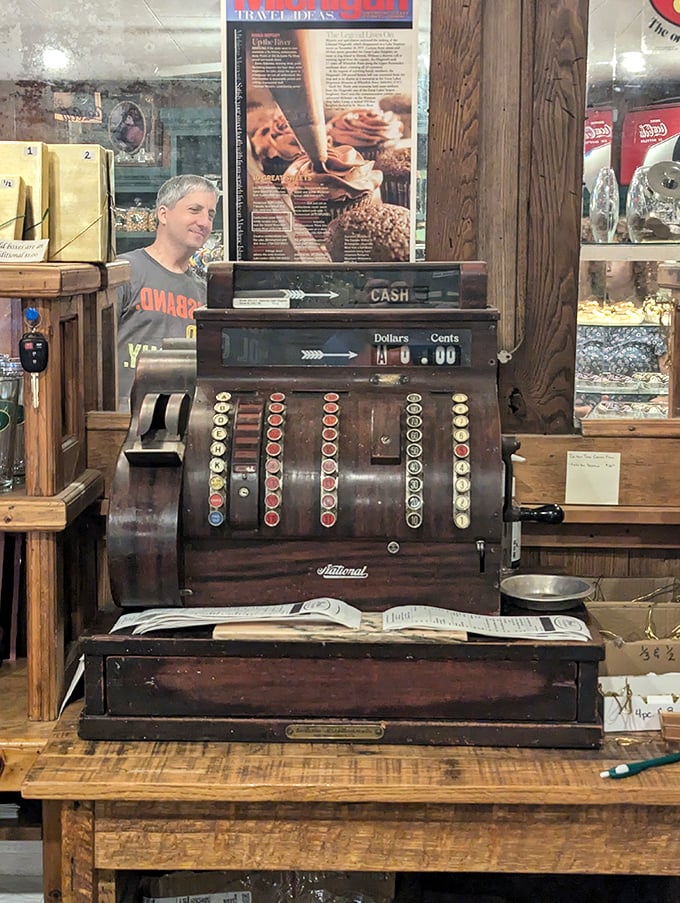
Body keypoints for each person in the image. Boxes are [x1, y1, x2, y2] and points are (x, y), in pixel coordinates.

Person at [117, 174, 219, 411]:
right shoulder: (125, 272)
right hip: (125, 421)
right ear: (163, 214)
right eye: (194, 210)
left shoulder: (204, 291)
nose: (204, 222)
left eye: (211, 214)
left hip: (183, 419)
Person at [574, 260, 669, 421]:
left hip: (633, 424)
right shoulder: (585, 314)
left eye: (617, 259)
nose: (608, 266)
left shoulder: (654, 318)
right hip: (579, 422)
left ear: (637, 266)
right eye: (603, 260)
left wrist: (649, 409)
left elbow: (670, 390)